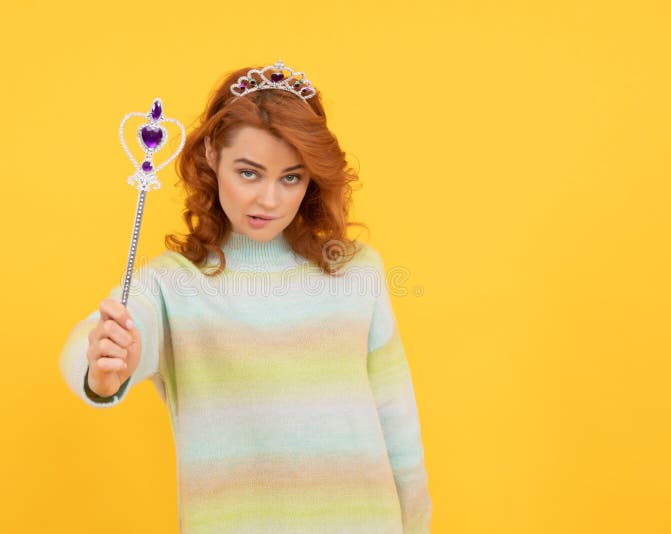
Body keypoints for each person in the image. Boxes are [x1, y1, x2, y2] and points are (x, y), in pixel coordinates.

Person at [59, 60, 433, 533]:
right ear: (213, 155)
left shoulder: (357, 271)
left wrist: (416, 524)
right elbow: (95, 344)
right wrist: (103, 369)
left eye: (291, 178)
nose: (269, 201)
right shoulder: (173, 286)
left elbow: (396, 419)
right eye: (250, 173)